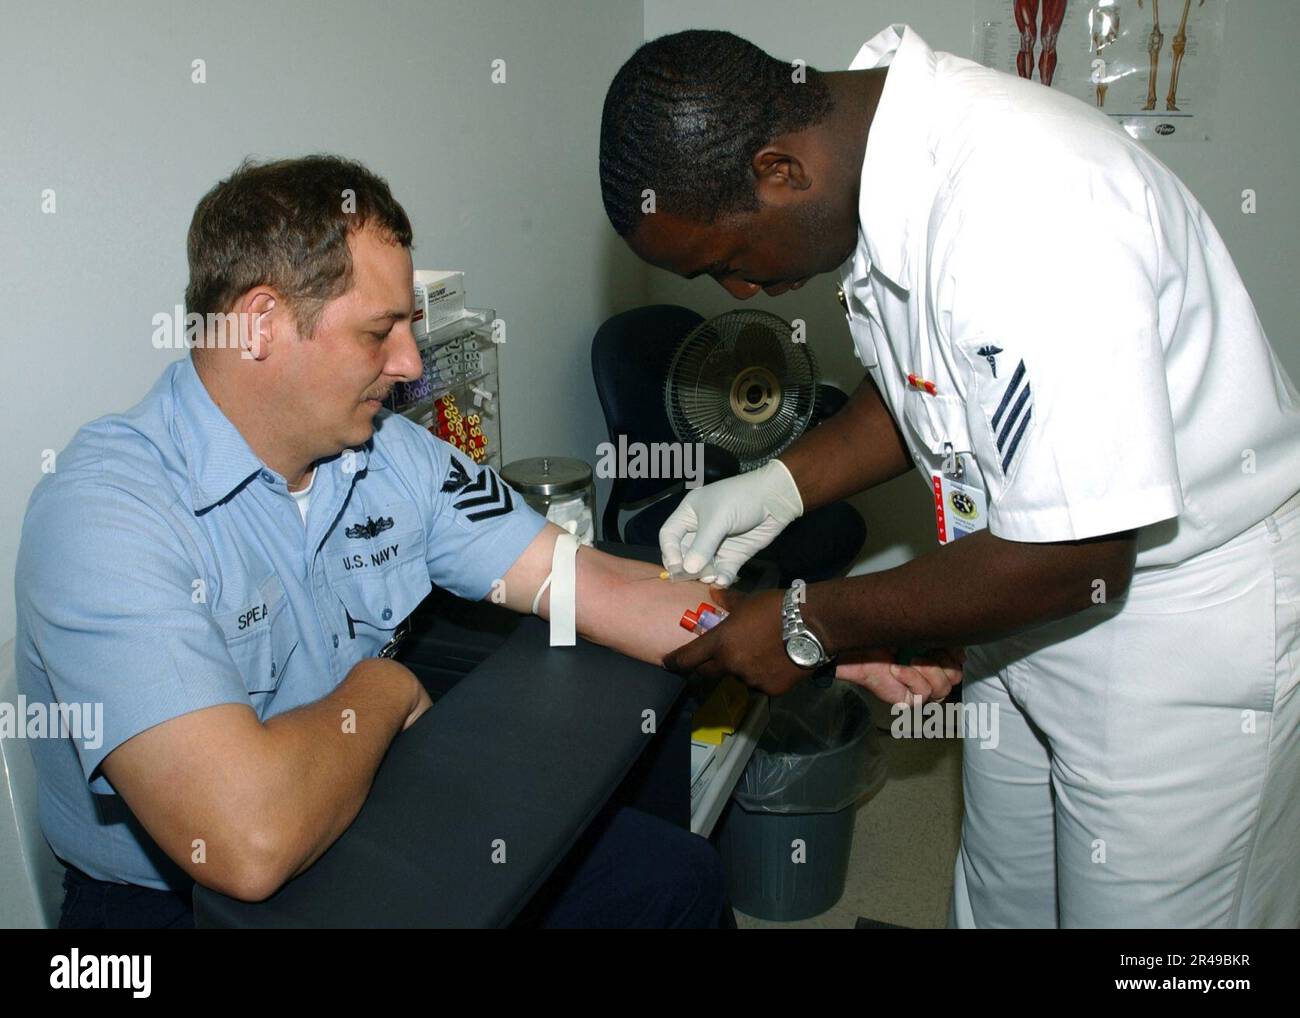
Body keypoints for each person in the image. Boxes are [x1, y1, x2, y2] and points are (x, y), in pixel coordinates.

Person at [598, 25, 1300, 928]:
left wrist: (807, 623)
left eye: (729, 263)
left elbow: (1078, 552)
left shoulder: (1030, 207)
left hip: (1170, 620)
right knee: (1007, 896)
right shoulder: (885, 163)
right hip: (1013, 590)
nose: (738, 292)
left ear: (779, 172)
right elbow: (923, 389)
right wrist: (778, 486)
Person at [16, 155, 782, 929]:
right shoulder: (104, 517)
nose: (410, 366)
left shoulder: (390, 452)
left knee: (674, 879)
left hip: (363, 805)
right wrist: (383, 692)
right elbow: (245, 842)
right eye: (379, 332)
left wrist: (808, 637)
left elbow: (586, 583)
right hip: (174, 902)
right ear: (259, 327)